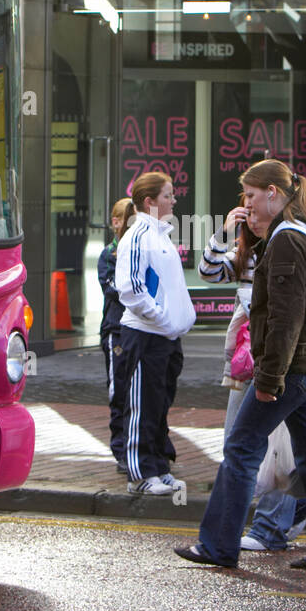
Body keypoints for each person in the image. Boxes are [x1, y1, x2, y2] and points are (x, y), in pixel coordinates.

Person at [175, 160, 306, 570]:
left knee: (241, 447)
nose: (248, 206)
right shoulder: (303, 231)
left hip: (291, 369)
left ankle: (219, 545)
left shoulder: (287, 240)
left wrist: (269, 378)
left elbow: (284, 319)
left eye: (253, 197)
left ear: (273, 193)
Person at [200, 196, 306, 552]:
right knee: (238, 439)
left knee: (281, 446)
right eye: (246, 211)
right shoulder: (246, 251)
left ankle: (270, 526)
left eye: (254, 208)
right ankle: (244, 531)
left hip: (276, 359)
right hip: (245, 357)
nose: (251, 217)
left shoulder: (290, 243)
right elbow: (209, 272)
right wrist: (224, 232)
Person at [114, 173, 195, 494]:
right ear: (149, 202)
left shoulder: (160, 236)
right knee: (142, 406)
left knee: (159, 405)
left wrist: (174, 322)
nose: (174, 200)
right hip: (144, 336)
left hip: (165, 337)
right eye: (168, 195)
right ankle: (141, 474)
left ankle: (158, 467)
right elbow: (131, 289)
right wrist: (163, 318)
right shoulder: (137, 237)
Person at [99, 197, 133, 472]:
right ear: (115, 222)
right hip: (116, 331)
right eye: (125, 221)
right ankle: (120, 449)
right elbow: (113, 290)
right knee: (119, 390)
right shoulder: (108, 254)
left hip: (138, 331)